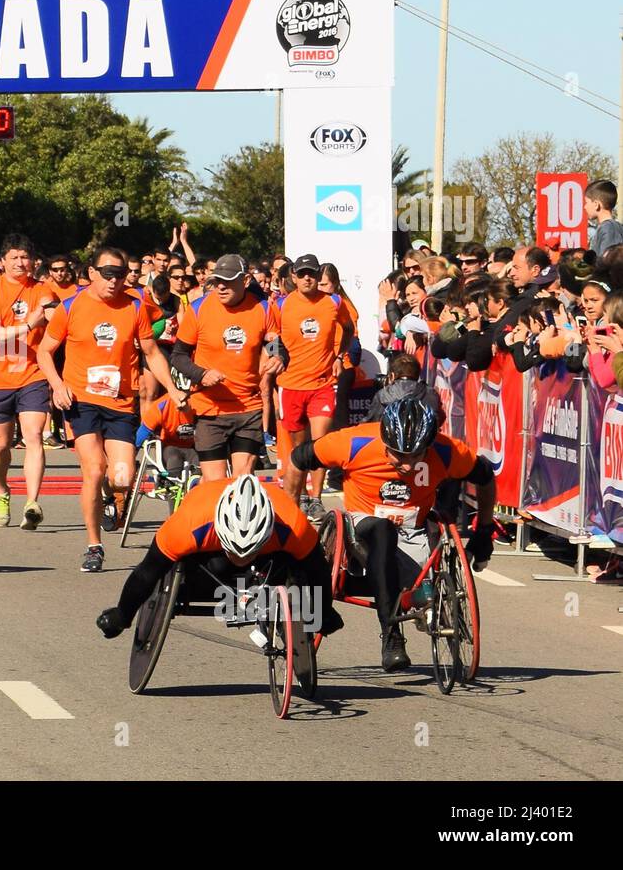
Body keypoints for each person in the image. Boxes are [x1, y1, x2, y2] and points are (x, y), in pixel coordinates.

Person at [283, 398, 496, 672]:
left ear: (428, 446)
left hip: (414, 531)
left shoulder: (446, 451)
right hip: (359, 529)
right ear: (384, 440)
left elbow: (486, 477)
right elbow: (298, 460)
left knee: (412, 556)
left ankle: (424, 605)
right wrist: (292, 522)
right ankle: (392, 635)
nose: (406, 465)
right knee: (382, 530)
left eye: (414, 456)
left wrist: (485, 531)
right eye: (397, 454)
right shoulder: (354, 442)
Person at [37, 245, 186, 572]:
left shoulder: (135, 307)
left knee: (122, 476)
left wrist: (173, 389)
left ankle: (111, 497)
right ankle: (94, 546)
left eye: (121, 275)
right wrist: (58, 386)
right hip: (81, 401)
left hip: (120, 401)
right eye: (108, 274)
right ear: (91, 273)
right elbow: (44, 351)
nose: (115, 281)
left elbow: (152, 352)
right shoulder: (71, 306)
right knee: (93, 470)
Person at [95, 474, 343, 641]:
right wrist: (122, 616)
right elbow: (146, 572)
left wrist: (322, 611)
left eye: (249, 551)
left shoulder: (293, 526)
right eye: (235, 550)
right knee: (186, 569)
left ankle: (278, 604)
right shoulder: (188, 526)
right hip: (209, 559)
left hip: (272, 558)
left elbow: (319, 571)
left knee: (302, 565)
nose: (242, 558)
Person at [170, 254, 279, 482]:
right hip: (210, 409)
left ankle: (239, 518)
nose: (220, 286)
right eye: (217, 280)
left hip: (248, 408)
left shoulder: (262, 308)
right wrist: (202, 374)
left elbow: (277, 345)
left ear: (246, 280)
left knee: (243, 480)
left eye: (228, 281)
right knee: (215, 483)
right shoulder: (199, 309)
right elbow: (178, 356)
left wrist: (279, 358)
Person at [0, 234, 57, 530]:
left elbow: (53, 315)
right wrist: (28, 325)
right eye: (14, 257)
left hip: (33, 375)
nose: (20, 263)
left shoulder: (42, 289)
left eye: (25, 257)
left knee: (34, 436)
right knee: (1, 444)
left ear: (33, 261)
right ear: (3, 261)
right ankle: (1, 489)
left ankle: (32, 503)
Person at [275, 254, 353, 517]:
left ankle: (316, 497)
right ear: (293, 277)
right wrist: (274, 357)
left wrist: (339, 357)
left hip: (322, 383)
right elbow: (270, 337)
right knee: (300, 449)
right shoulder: (281, 305)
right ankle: (297, 499)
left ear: (319, 276)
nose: (308, 278)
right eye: (302, 273)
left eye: (312, 273)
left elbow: (349, 329)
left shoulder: (333, 302)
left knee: (320, 444)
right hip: (292, 384)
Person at [586, 180, 623, 255]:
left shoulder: (609, 228)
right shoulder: (608, 227)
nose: (584, 207)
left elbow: (609, 263)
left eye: (586, 202)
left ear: (596, 204)